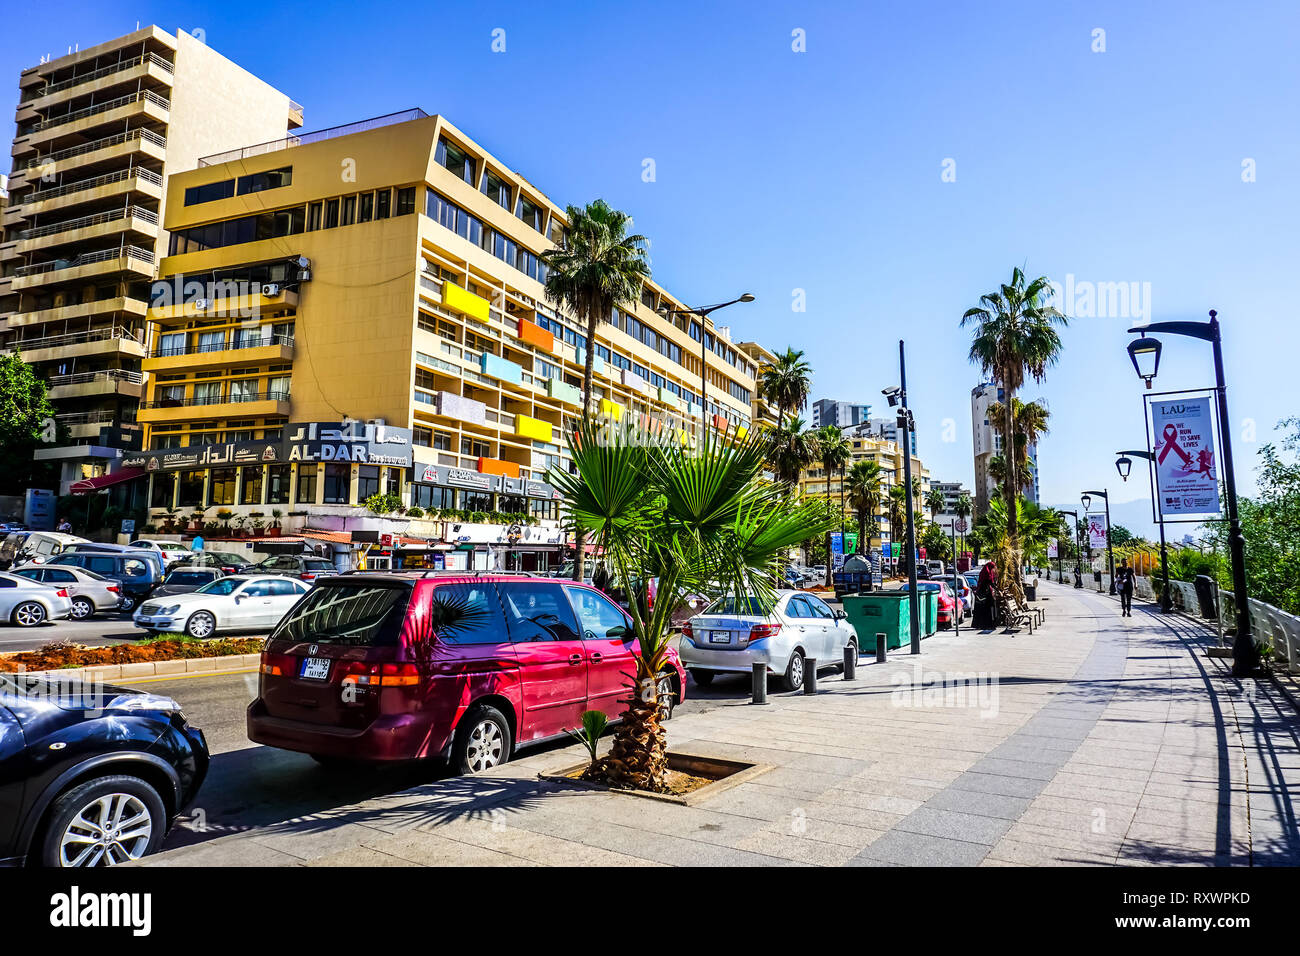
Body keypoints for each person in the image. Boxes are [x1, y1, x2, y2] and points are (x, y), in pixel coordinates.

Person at [972, 560, 998, 629]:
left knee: (983, 610)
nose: (993, 570)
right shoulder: (987, 573)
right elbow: (990, 583)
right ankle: (987, 624)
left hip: (982, 594)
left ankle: (982, 624)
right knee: (987, 609)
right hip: (985, 595)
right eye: (992, 568)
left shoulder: (984, 572)